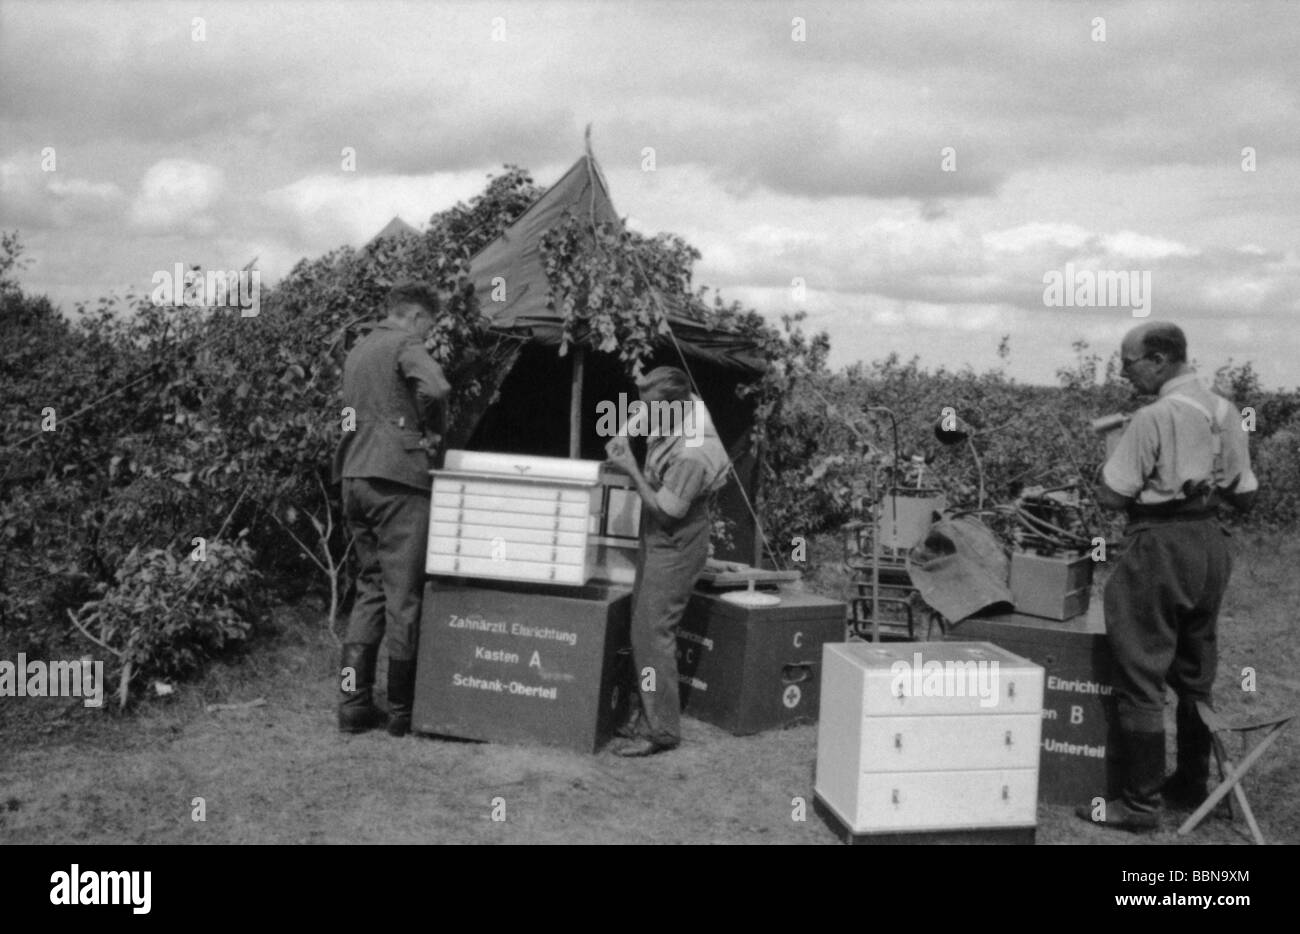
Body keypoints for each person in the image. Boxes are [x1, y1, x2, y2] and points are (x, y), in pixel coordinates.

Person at [1077, 321, 1258, 831]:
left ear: (1158, 360)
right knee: (1195, 675)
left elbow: (1113, 495)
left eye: (1128, 362)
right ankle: (1189, 784)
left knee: (1140, 675)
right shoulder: (1225, 411)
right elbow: (1245, 495)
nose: (1124, 372)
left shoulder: (1152, 417)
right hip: (1209, 546)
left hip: (1158, 547)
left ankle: (1139, 805)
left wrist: (1116, 450)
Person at [333, 281, 450, 736]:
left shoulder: (358, 349)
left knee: (370, 589)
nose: (427, 335)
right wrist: (429, 432)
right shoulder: (405, 343)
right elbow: (437, 388)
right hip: (398, 479)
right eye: (429, 327)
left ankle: (353, 706)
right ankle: (402, 713)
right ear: (418, 318)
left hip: (353, 476)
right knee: (405, 596)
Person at [604, 366, 730, 756]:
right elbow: (642, 412)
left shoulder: (694, 451)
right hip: (660, 529)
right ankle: (644, 714)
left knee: (653, 634)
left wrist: (628, 469)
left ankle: (661, 731)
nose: (645, 413)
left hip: (675, 535)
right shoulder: (677, 405)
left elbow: (665, 512)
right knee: (641, 623)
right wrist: (623, 433)